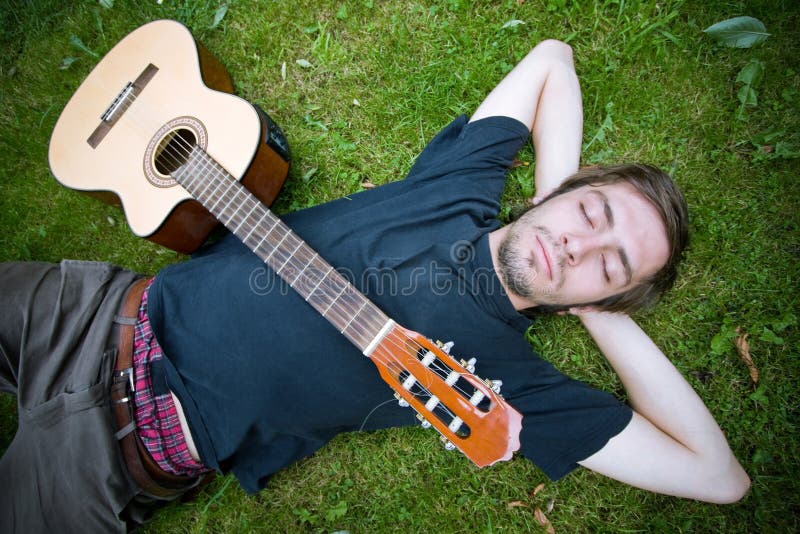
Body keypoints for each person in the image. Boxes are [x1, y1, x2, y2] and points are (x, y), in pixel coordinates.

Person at [0, 39, 749, 532]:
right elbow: (553, 59)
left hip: (112, 449)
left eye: (610, 265)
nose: (578, 244)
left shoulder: (503, 382)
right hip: (92, 309)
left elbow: (719, 478)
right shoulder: (461, 185)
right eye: (593, 212)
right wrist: (557, 209)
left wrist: (600, 312)